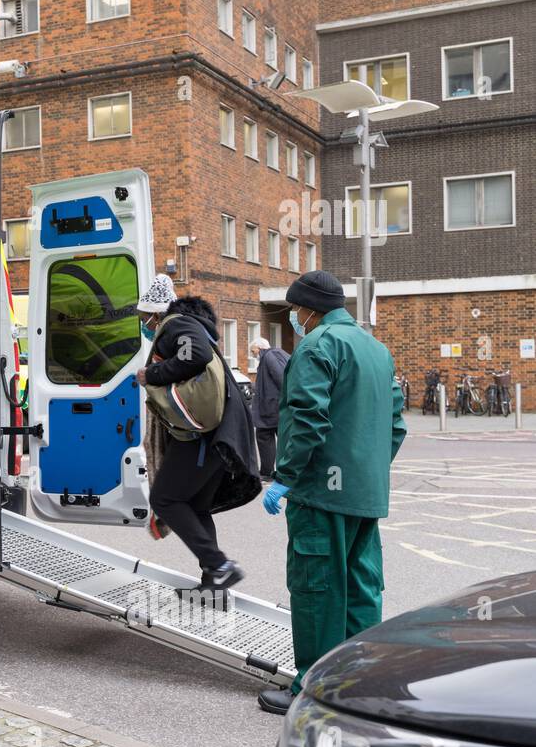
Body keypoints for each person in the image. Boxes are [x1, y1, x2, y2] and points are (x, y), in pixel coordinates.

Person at [258, 270, 406, 715]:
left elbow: (306, 418)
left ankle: (313, 688)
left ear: (308, 309)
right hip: (364, 493)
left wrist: (286, 475)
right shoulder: (378, 350)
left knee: (317, 589)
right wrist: (365, 471)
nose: (293, 319)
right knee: (361, 588)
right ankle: (359, 682)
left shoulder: (317, 345)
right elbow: (395, 425)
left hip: (321, 492)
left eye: (294, 311)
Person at [136, 275, 260, 591]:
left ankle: (219, 565)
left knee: (164, 498)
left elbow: (196, 356)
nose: (144, 324)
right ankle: (214, 580)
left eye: (144, 317)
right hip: (221, 434)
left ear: (155, 313)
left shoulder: (176, 324)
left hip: (201, 435)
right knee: (195, 505)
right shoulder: (194, 324)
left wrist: (150, 373)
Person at [249, 337, 289, 480]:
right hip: (276, 407)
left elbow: (281, 379)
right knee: (281, 438)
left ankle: (267, 473)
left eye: (253, 351)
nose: (253, 354)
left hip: (271, 407)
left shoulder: (269, 357)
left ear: (260, 348)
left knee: (264, 436)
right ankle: (281, 472)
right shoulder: (275, 355)